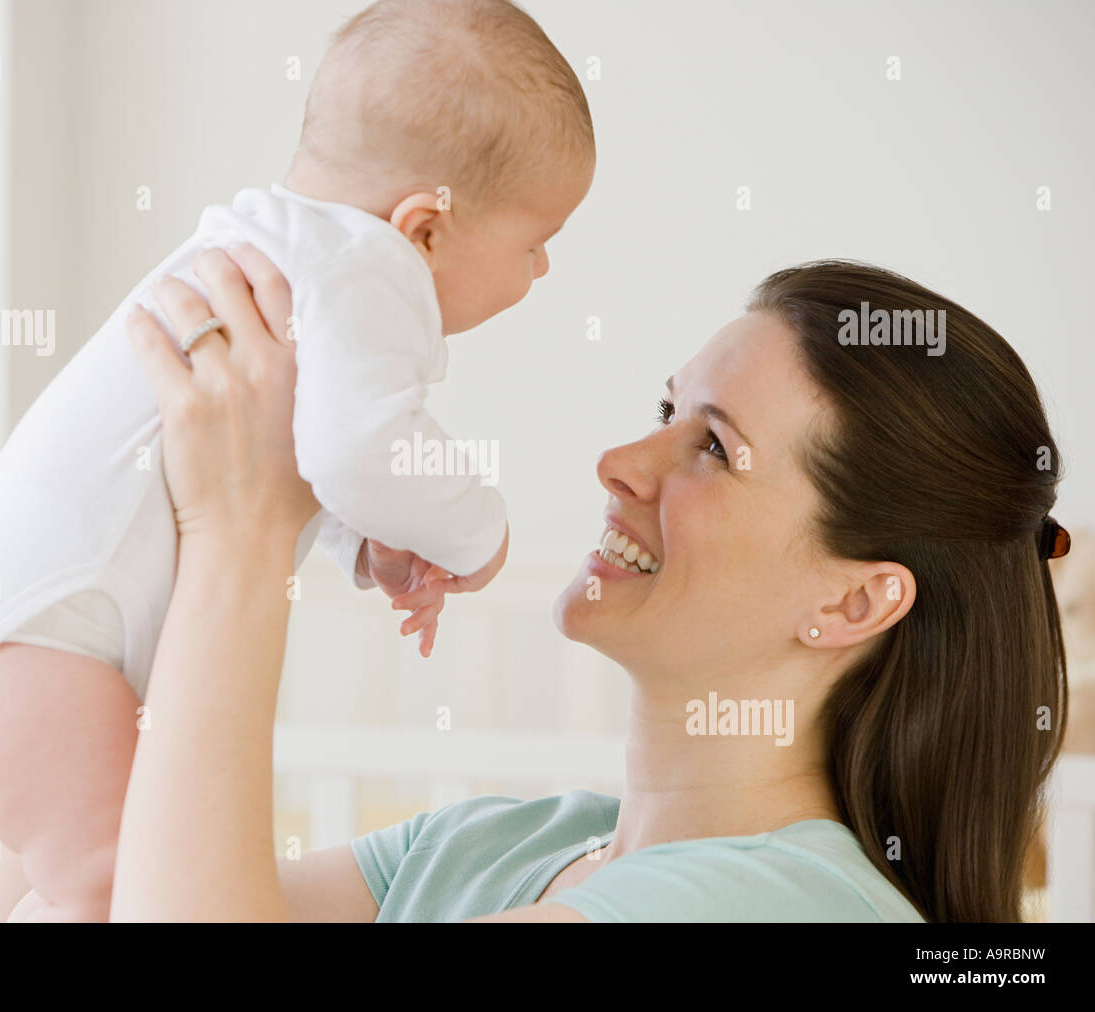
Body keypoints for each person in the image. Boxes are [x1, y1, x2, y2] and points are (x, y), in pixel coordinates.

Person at [0, 0, 593, 921]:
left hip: (7, 645)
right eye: (535, 245)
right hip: (36, 655)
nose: (540, 273)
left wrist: (363, 543)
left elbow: (308, 446)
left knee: (56, 885)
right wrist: (477, 531)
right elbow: (353, 447)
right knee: (120, 885)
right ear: (425, 228)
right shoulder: (367, 269)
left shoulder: (279, 245)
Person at [109, 248, 1070, 922]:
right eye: (665, 409)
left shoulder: (789, 905)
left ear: (852, 602)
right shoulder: (496, 846)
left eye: (713, 448)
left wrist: (237, 533)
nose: (620, 460)